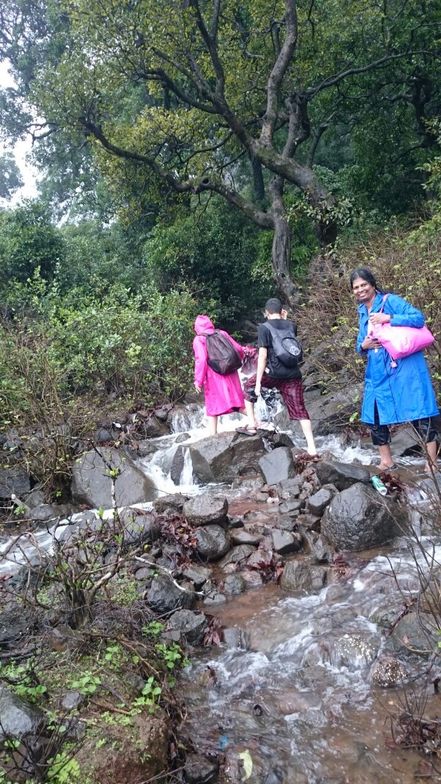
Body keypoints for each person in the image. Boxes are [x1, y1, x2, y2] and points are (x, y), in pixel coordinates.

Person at [351, 267, 439, 471]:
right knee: (374, 415)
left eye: (364, 285)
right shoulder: (363, 311)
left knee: (420, 410)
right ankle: (386, 461)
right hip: (378, 372)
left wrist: (389, 318)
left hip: (405, 369)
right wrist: (363, 346)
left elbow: (418, 318)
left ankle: (432, 464)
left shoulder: (390, 301)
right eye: (356, 287)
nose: (360, 290)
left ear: (372, 285)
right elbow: (360, 344)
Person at [241, 297, 318, 457]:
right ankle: (312, 448)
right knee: (301, 410)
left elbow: (262, 356)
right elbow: (287, 342)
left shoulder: (264, 327)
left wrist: (257, 385)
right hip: (292, 374)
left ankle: (252, 423)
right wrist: (284, 318)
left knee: (248, 386)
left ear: (266, 312)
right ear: (282, 311)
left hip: (273, 373)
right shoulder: (292, 325)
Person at [193, 314, 249, 436]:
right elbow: (238, 349)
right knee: (237, 403)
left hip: (213, 376)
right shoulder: (222, 333)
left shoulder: (199, 339)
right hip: (231, 373)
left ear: (196, 327)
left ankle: (213, 435)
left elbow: (201, 360)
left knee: (213, 406)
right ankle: (257, 421)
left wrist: (198, 380)